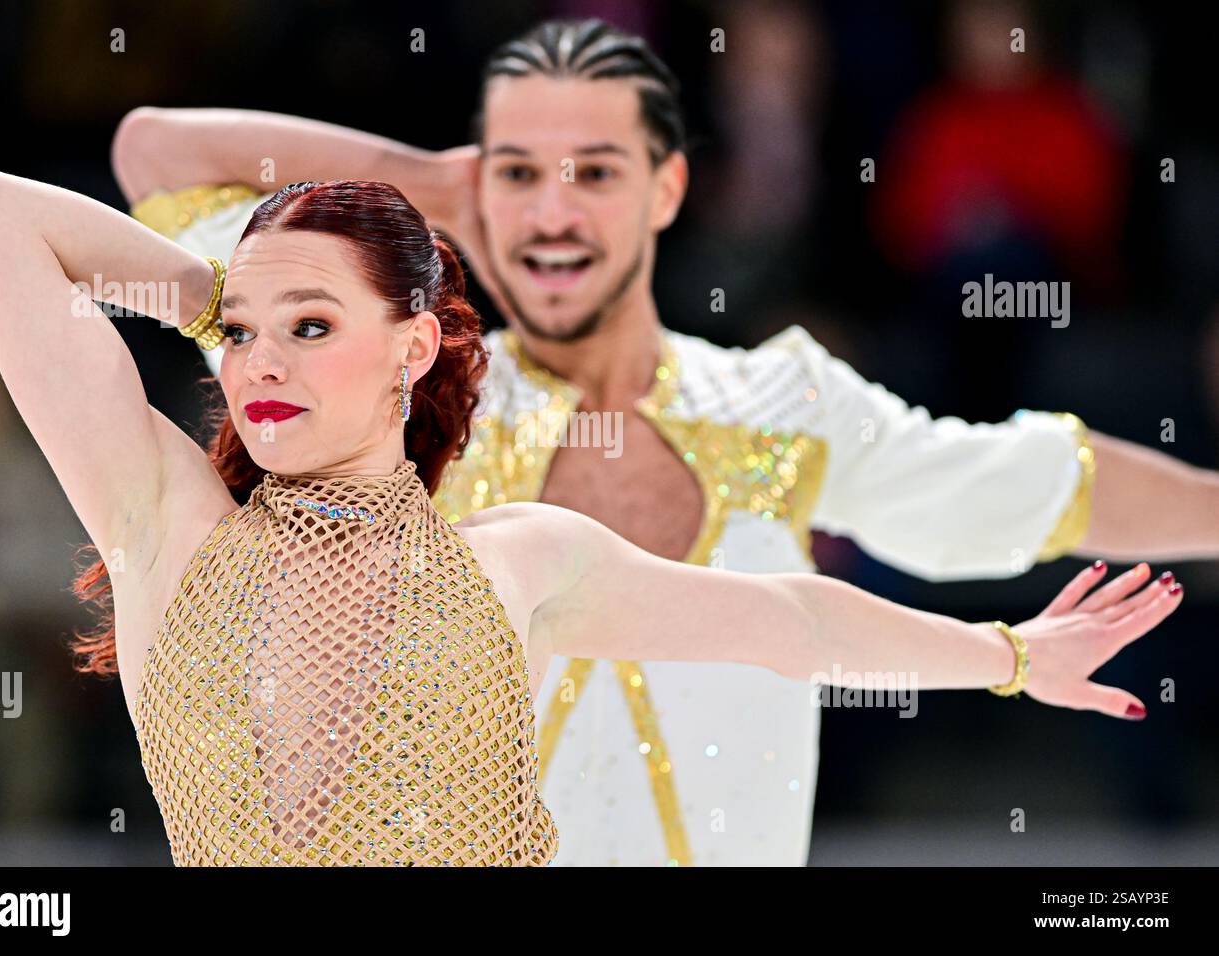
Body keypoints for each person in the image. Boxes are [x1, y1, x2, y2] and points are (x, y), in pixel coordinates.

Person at [108, 18, 1219, 867]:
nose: (551, 210)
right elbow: (155, 154)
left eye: (593, 171)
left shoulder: (783, 401)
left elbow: (1030, 481)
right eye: (520, 174)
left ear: (667, 186)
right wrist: (444, 180)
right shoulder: (391, 386)